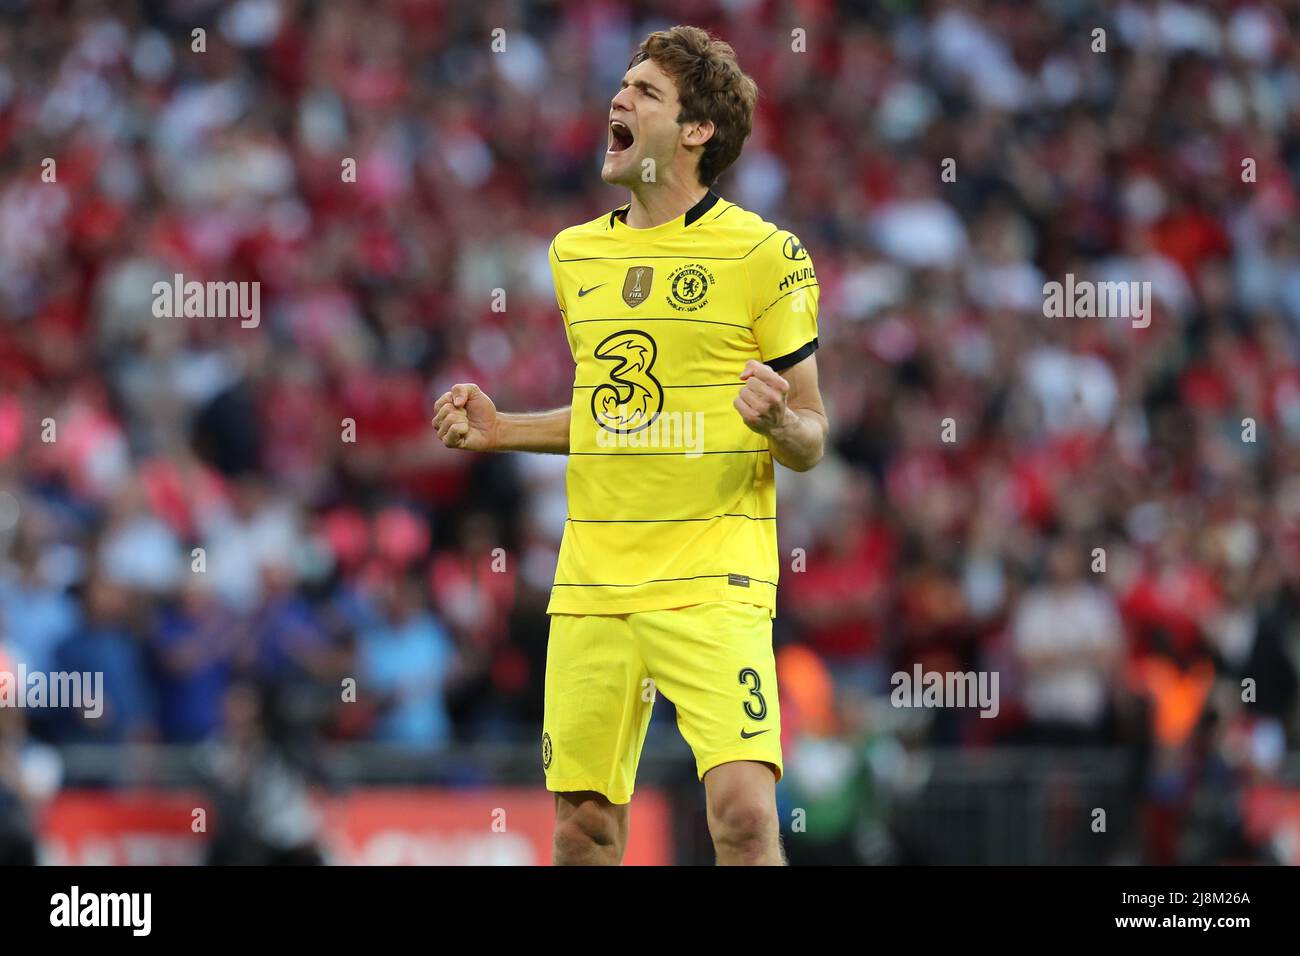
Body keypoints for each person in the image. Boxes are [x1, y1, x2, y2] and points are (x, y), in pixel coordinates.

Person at [433, 25, 828, 865]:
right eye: (622, 85)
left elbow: (812, 436)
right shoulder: (574, 255)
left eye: (647, 92)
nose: (620, 99)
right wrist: (504, 430)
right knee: (583, 830)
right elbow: (617, 412)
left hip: (714, 580)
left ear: (696, 132)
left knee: (747, 817)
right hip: (593, 583)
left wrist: (780, 426)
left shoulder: (766, 254)